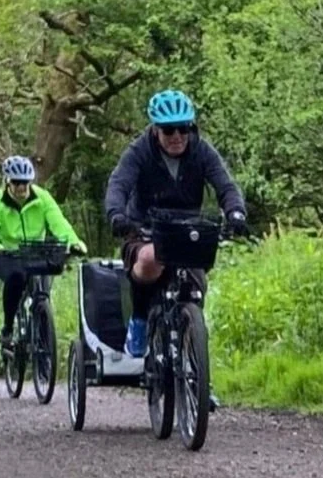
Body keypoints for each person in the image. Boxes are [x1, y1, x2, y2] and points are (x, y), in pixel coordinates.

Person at [103, 89, 247, 357]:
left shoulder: (202, 151)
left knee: (195, 291)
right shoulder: (139, 151)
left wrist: (236, 212)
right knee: (149, 261)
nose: (178, 136)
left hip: (187, 231)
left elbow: (225, 186)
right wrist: (117, 215)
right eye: (169, 130)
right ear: (156, 129)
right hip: (144, 229)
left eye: (184, 128)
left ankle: (196, 370)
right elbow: (119, 184)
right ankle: (140, 319)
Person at [0, 155, 85, 352]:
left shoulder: (43, 198)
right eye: (16, 183)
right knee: (16, 277)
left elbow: (59, 223)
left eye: (25, 183)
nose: (21, 188)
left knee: (43, 294)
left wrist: (74, 242)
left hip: (36, 252)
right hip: (9, 254)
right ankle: (8, 329)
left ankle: (43, 345)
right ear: (7, 182)